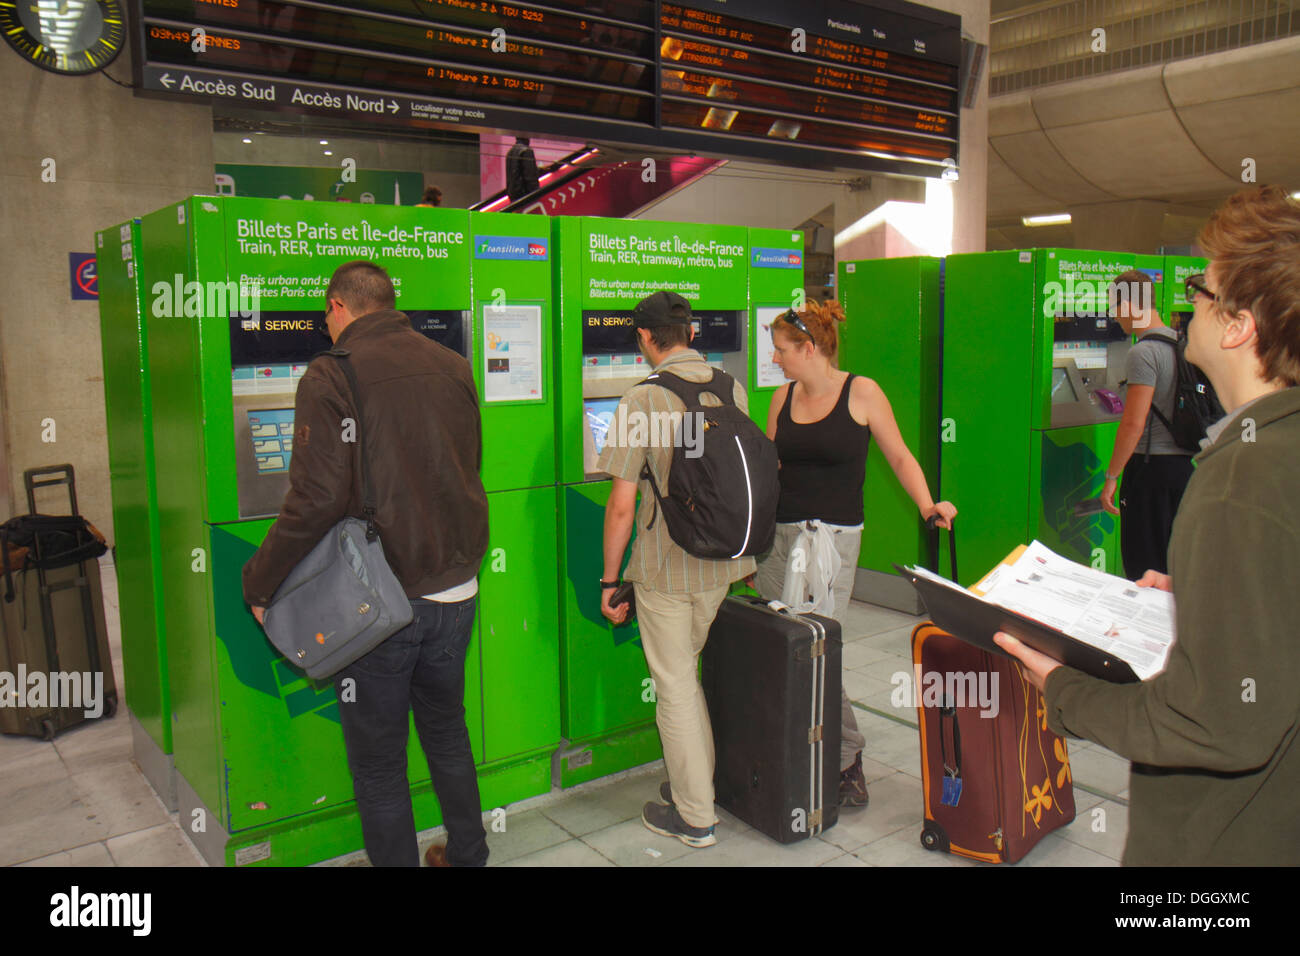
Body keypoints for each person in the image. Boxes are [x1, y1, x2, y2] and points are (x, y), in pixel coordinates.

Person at [997, 184, 1300, 865]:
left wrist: (1063, 687)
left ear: (1238, 325)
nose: (1184, 301)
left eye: (1200, 288)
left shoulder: (1240, 481)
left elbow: (1215, 722)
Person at [242, 260, 490, 867]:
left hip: (380, 601)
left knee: (379, 764)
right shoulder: (453, 365)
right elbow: (465, 464)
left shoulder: (332, 374)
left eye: (326, 315)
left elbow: (316, 497)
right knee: (448, 732)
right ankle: (469, 855)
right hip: (456, 587)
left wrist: (260, 580)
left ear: (339, 307)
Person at [754, 301, 956, 807]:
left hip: (835, 543)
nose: (775, 359)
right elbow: (767, 470)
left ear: (809, 348)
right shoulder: (781, 399)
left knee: (820, 648)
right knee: (784, 644)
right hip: (783, 540)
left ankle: (846, 759)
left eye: (781, 350)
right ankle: (796, 749)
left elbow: (900, 455)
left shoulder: (861, 392)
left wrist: (929, 504)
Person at [597, 290, 753, 848]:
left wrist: (610, 581)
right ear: (690, 334)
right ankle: (697, 789)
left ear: (644, 339)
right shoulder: (729, 386)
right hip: (721, 563)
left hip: (666, 566)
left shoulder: (642, 400)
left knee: (676, 688)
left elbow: (621, 503)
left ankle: (695, 817)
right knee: (686, 677)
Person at [1100, 269, 1193, 578]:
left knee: (1143, 567)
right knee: (1170, 567)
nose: (1116, 317)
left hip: (1150, 471)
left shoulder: (1144, 352)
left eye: (1115, 308)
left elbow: (1132, 424)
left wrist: (1112, 476)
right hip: (1184, 469)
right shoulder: (1183, 345)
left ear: (1128, 305)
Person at [505, 136, 540, 201]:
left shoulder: (510, 152)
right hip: (524, 196)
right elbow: (530, 177)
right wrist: (537, 195)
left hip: (513, 196)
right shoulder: (527, 151)